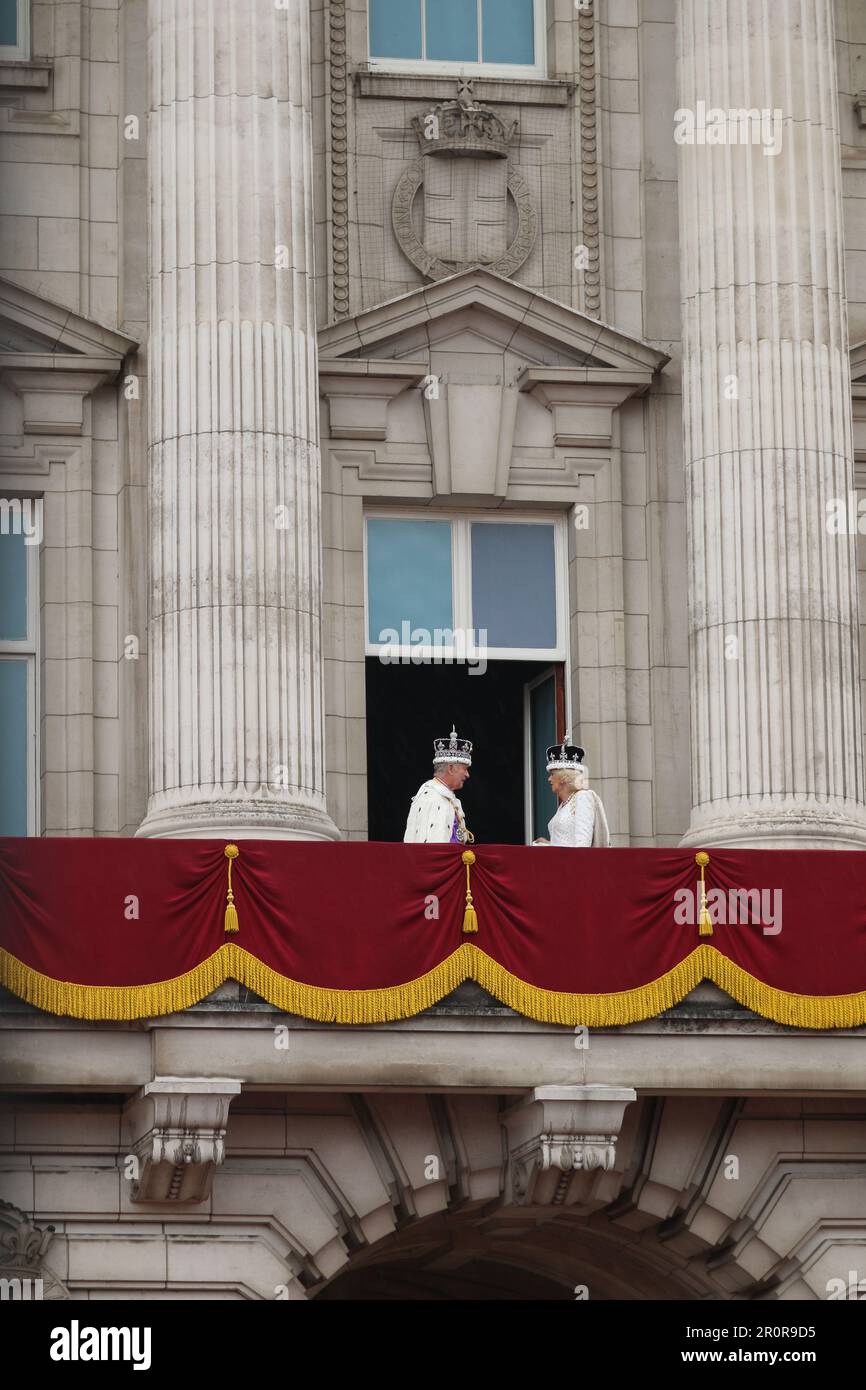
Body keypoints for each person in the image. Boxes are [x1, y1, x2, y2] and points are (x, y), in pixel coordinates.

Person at [403, 727, 475, 844]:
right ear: (451, 768)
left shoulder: (447, 798)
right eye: (465, 769)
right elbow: (430, 852)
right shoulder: (431, 799)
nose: (467, 775)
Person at [532, 742, 610, 847]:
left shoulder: (583, 797)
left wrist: (547, 847)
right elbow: (565, 844)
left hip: (574, 862)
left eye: (552, 774)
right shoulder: (564, 804)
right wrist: (548, 844)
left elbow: (582, 847)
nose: (549, 779)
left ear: (563, 777)